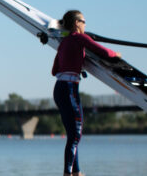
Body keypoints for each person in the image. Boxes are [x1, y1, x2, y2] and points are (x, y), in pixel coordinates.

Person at [51, 10, 120, 176]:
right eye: (83, 21)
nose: (85, 24)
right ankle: (68, 174)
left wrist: (74, 64)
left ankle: (77, 172)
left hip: (59, 88)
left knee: (72, 135)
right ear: (76, 23)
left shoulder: (63, 43)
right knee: (76, 135)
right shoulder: (80, 38)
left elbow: (54, 70)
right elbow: (103, 52)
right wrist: (115, 54)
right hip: (69, 89)